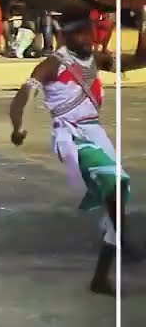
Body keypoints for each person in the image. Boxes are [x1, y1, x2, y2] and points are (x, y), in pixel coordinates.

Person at [9, 15, 145, 295]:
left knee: (120, 193)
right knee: (114, 183)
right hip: (69, 137)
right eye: (81, 34)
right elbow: (22, 97)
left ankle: (100, 278)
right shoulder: (52, 65)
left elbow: (138, 61)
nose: (88, 38)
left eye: (89, 33)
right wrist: (19, 126)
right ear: (67, 37)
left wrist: (142, 26)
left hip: (96, 134)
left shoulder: (94, 60)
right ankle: (126, 241)